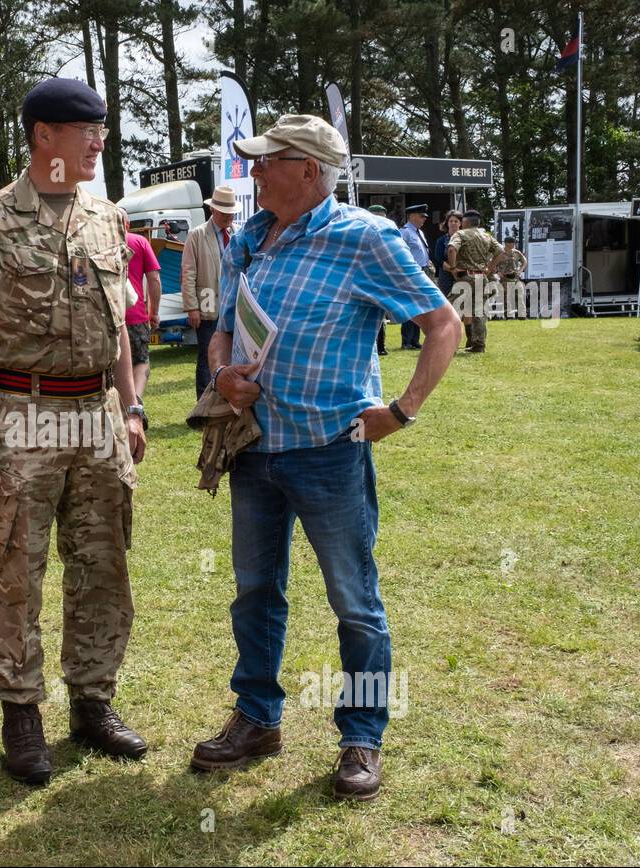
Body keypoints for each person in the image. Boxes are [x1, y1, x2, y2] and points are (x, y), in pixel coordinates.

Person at [194, 114, 463, 801]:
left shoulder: (365, 237)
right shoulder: (251, 239)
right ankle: (256, 718)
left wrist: (401, 410)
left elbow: (441, 324)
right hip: (255, 451)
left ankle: (362, 737)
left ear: (309, 171)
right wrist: (223, 375)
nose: (252, 173)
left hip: (329, 454)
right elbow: (223, 332)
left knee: (355, 603)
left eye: (267, 162)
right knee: (255, 592)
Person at [0, 77, 148, 786]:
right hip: (23, 415)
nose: (99, 141)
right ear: (44, 135)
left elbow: (120, 324)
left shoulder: (109, 219)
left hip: (97, 417)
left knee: (102, 565)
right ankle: (21, 713)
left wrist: (131, 407)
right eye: (86, 128)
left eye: (101, 129)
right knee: (13, 572)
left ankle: (93, 702)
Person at [182, 185, 239, 397]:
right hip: (208, 308)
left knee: (233, 357)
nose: (229, 216)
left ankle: (225, 401)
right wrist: (191, 308)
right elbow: (188, 273)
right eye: (225, 211)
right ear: (213, 211)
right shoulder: (196, 235)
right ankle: (204, 404)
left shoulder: (238, 233)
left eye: (231, 211)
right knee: (207, 358)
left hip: (233, 307)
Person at [120, 207, 161, 415]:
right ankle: (135, 402)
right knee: (141, 361)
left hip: (109, 317)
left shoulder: (100, 242)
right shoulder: (140, 242)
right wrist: (154, 312)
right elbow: (154, 279)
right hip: (135, 316)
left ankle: (121, 405)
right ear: (128, 224)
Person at [446, 210, 503, 353]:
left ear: (465, 222)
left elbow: (452, 249)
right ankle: (479, 345)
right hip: (481, 278)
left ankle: (446, 342)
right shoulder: (486, 236)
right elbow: (501, 251)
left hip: (465, 276)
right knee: (479, 312)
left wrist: (453, 268)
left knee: (449, 308)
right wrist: (490, 268)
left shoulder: (460, 234)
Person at [399, 204, 434, 348]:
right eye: (421, 216)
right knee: (410, 306)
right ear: (411, 216)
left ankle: (414, 340)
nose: (424, 219)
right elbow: (400, 253)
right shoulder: (404, 232)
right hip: (411, 273)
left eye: (425, 217)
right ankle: (407, 340)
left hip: (423, 272)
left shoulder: (420, 233)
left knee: (420, 307)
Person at [367, 204, 391, 355]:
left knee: (380, 315)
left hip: (381, 279)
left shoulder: (388, 236)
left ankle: (380, 346)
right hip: (367, 279)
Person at [489, 237, 528, 319]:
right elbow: (491, 263)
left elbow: (524, 261)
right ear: (506, 243)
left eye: (514, 242)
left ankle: (522, 315)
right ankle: (509, 315)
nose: (513, 244)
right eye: (511, 242)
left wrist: (520, 270)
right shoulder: (500, 253)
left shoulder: (516, 252)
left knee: (520, 296)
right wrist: (497, 272)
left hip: (516, 278)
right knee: (507, 298)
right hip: (505, 279)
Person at [431, 209, 463, 298]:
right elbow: (438, 259)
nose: (453, 223)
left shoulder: (465, 239)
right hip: (446, 277)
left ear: (460, 223)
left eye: (456, 221)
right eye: (451, 221)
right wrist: (453, 271)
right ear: (447, 223)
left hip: (463, 275)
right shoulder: (441, 240)